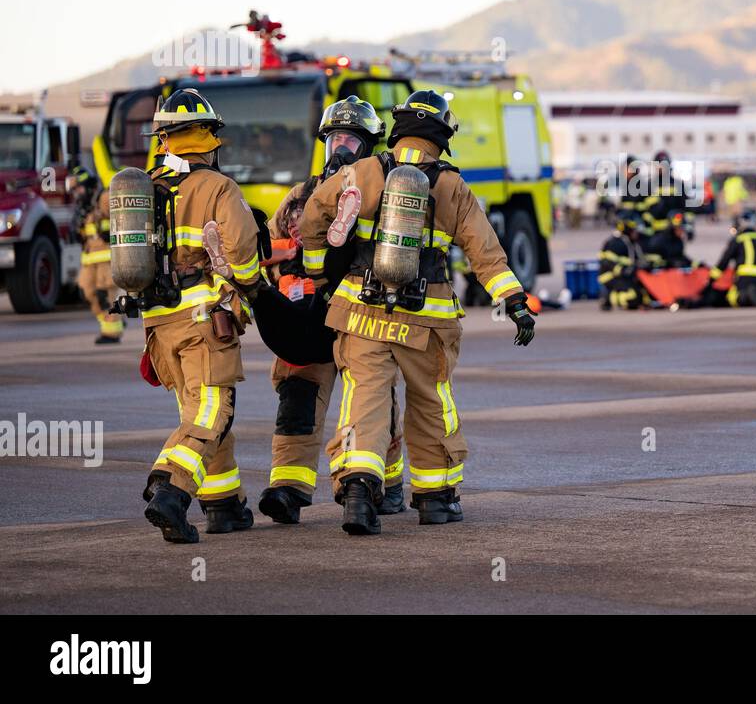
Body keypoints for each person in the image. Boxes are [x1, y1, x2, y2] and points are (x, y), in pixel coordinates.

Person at [297, 89, 536, 534]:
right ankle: (436, 498)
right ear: (443, 136)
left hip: (359, 309)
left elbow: (312, 218)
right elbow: (486, 252)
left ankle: (357, 491)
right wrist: (516, 303)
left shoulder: (362, 171)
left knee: (363, 398)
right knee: (431, 400)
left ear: (399, 128)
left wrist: (320, 278)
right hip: (426, 318)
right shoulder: (451, 186)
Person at [257, 96, 408, 525]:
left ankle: (383, 486)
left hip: (360, 314)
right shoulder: (301, 195)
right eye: (334, 140)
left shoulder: (382, 194)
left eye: (350, 141)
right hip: (307, 315)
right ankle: (288, 488)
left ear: (368, 146)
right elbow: (269, 249)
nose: (341, 149)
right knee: (297, 398)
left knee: (371, 400)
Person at [138, 89, 263, 544]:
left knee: (200, 413)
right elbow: (244, 253)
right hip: (204, 318)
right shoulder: (218, 187)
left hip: (158, 323)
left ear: (164, 140)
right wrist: (249, 285)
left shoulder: (146, 186)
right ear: (210, 139)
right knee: (213, 410)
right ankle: (169, 487)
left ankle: (224, 505)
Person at [72, 165, 123, 344]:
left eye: (79, 188)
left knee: (106, 296)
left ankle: (112, 332)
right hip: (89, 259)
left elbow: (121, 215)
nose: (77, 193)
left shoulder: (103, 199)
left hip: (107, 259)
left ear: (90, 186)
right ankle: (110, 323)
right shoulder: (82, 207)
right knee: (88, 292)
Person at [714, 209, 756, 307]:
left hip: (747, 277)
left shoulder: (739, 239)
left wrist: (711, 279)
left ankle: (746, 296)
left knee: (732, 297)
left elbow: (723, 262)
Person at [599, 215, 647, 309]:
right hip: (611, 276)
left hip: (626, 276)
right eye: (634, 230)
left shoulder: (632, 242)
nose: (636, 233)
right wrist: (623, 271)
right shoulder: (615, 243)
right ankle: (608, 298)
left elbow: (636, 260)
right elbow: (606, 263)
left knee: (643, 294)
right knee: (632, 298)